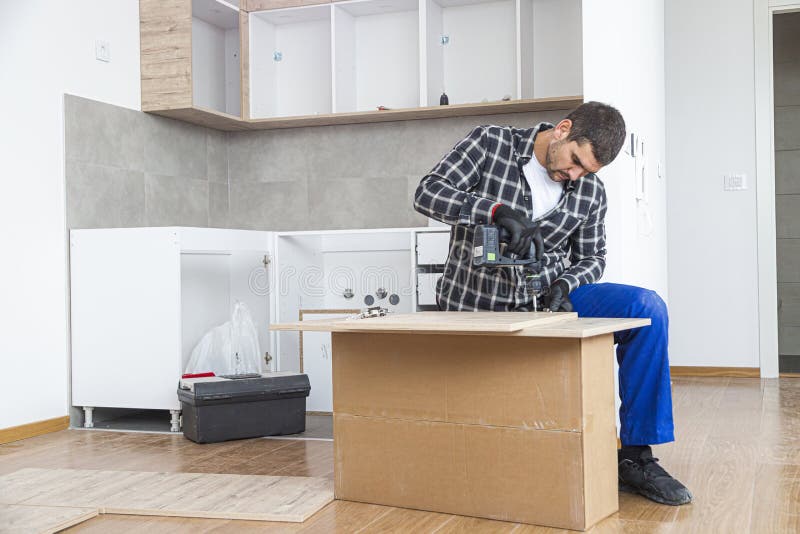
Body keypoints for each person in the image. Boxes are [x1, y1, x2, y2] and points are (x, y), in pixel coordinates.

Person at [413, 101, 692, 506]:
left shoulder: (590, 191)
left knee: (646, 309)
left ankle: (635, 456)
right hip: (478, 304)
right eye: (575, 161)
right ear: (562, 129)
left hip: (548, 300)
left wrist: (565, 284)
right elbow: (427, 192)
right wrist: (494, 211)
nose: (574, 175)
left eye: (586, 171)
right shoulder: (491, 143)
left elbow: (593, 258)